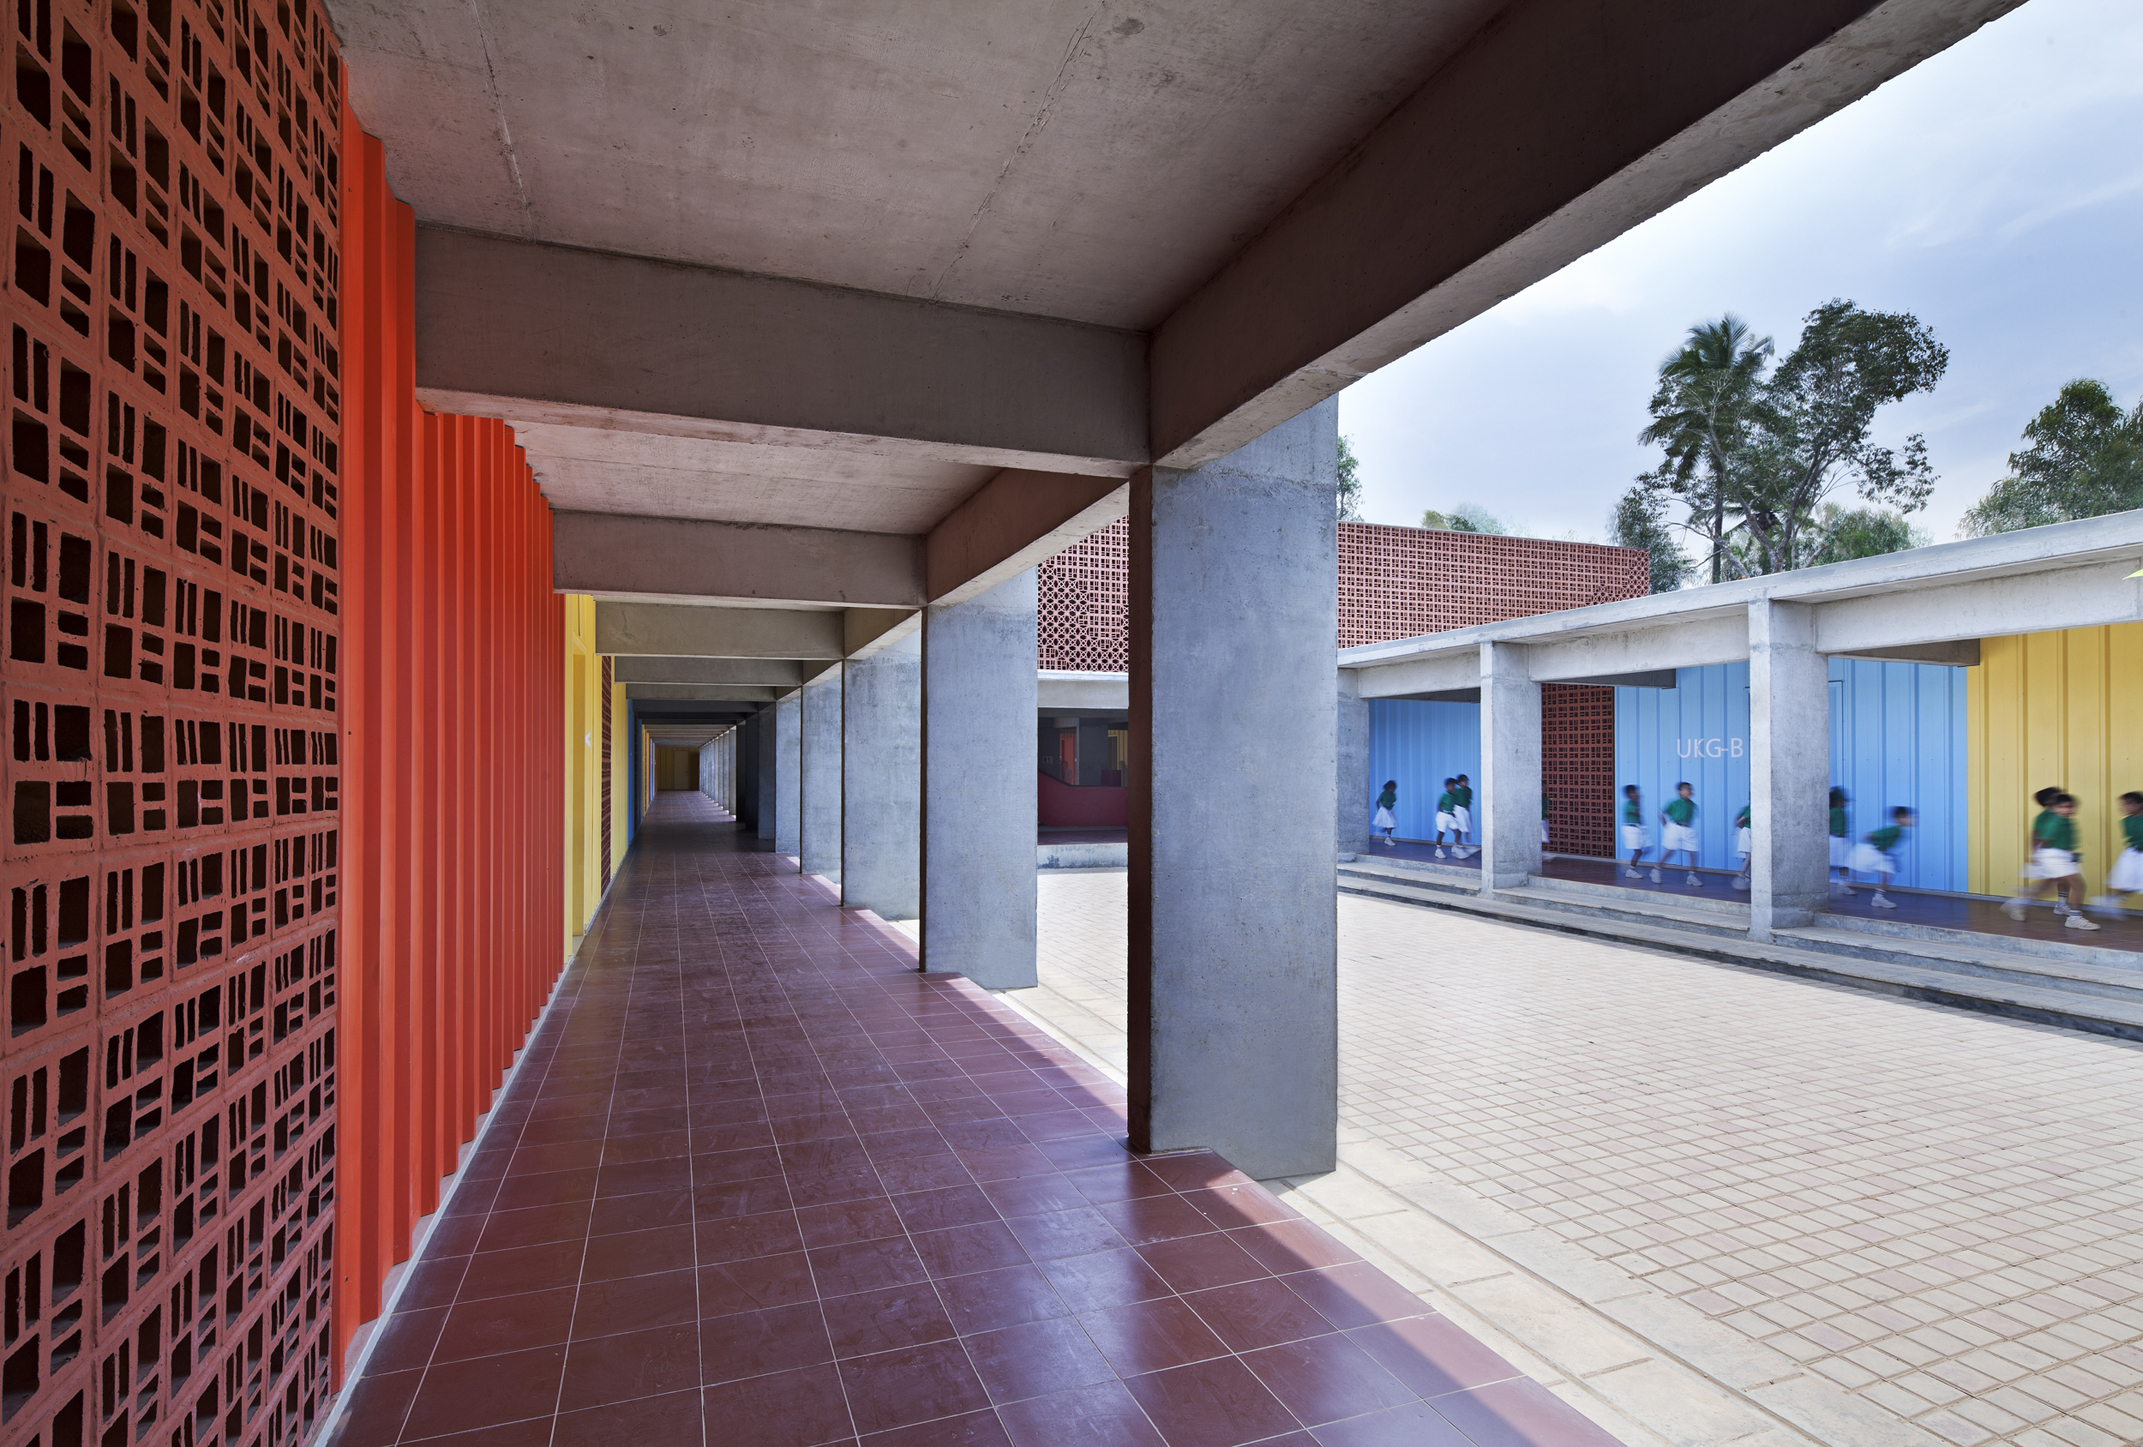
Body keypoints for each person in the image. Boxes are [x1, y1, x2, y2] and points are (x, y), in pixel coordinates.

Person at [2006, 792, 2099, 930]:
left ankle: (2018, 903)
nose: (2067, 809)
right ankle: (2074, 918)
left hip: (2061, 855)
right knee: (2077, 885)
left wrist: (2069, 854)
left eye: (2070, 806)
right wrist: (2038, 857)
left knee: (2047, 886)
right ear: (2054, 805)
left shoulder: (2065, 820)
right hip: (2053, 856)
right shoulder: (2052, 820)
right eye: (2063, 806)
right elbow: (2042, 839)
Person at [1848, 807, 1915, 909]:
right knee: (1862, 875)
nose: (1910, 820)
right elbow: (1871, 835)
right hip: (1871, 851)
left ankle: (1878, 899)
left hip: (1880, 853)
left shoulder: (1900, 831)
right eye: (1907, 817)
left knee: (1888, 874)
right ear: (1899, 819)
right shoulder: (1894, 830)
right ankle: (1841, 879)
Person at [2091, 791, 2143, 917]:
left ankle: (2110, 900)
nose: (2124, 808)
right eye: (2123, 805)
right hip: (2134, 853)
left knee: (2134, 883)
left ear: (2139, 804)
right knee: (2129, 883)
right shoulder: (2126, 821)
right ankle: (2110, 900)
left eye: (2127, 804)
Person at [1659, 781, 1700, 886]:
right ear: (1679, 792)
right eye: (1686, 789)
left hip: (1687, 829)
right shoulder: (1674, 803)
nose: (1689, 791)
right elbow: (1661, 813)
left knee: (1692, 853)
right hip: (1675, 827)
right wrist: (1665, 826)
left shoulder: (1692, 805)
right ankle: (1657, 869)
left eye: (1690, 789)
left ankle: (1691, 876)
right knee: (1669, 851)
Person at [1621, 784, 1649, 880]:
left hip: (1638, 827)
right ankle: (1631, 870)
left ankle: (1632, 863)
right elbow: (1637, 812)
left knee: (1645, 849)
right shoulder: (1629, 804)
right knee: (1638, 851)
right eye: (1633, 793)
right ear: (1628, 794)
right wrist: (1638, 801)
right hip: (1631, 829)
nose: (1636, 794)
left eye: (1636, 792)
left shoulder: (1634, 802)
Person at [1829, 787, 1853, 894]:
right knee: (1831, 864)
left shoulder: (1841, 811)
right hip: (1833, 839)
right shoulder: (1833, 811)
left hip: (1843, 840)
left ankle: (1843, 885)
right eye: (1843, 801)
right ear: (1838, 801)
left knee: (1844, 863)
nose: (1845, 803)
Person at [1433, 778, 1459, 859]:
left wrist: (1452, 813)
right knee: (1441, 833)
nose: (1452, 788)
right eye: (1450, 786)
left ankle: (1455, 847)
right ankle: (1438, 850)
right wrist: (1440, 814)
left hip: (1450, 816)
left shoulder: (1454, 795)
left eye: (1454, 786)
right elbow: (1439, 805)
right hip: (1443, 815)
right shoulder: (1444, 795)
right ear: (1446, 787)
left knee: (1457, 831)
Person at [1452, 773, 1476, 859]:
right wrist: (1453, 812)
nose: (1466, 782)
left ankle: (1469, 845)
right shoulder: (1457, 791)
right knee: (1461, 828)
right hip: (1458, 809)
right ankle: (1458, 846)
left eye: (1466, 780)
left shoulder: (1469, 790)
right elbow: (1453, 801)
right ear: (1459, 783)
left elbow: (1468, 801)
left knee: (1467, 828)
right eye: (1463, 781)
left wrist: (1468, 811)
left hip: (1465, 810)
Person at [1372, 780, 1399, 849]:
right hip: (1384, 810)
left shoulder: (1393, 794)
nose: (1392, 790)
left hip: (1390, 810)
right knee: (1390, 824)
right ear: (1387, 788)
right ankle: (1388, 838)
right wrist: (1379, 811)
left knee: (1393, 825)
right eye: (1391, 788)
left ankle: (1380, 833)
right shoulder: (1383, 794)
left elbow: (1393, 800)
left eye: (1393, 789)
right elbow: (1377, 802)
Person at [1733, 802, 1752, 890]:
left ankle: (1749, 877)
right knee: (1749, 856)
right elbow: (1739, 821)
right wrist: (1744, 830)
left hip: (1750, 832)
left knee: (1752, 857)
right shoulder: (1750, 808)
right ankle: (1742, 875)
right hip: (1747, 832)